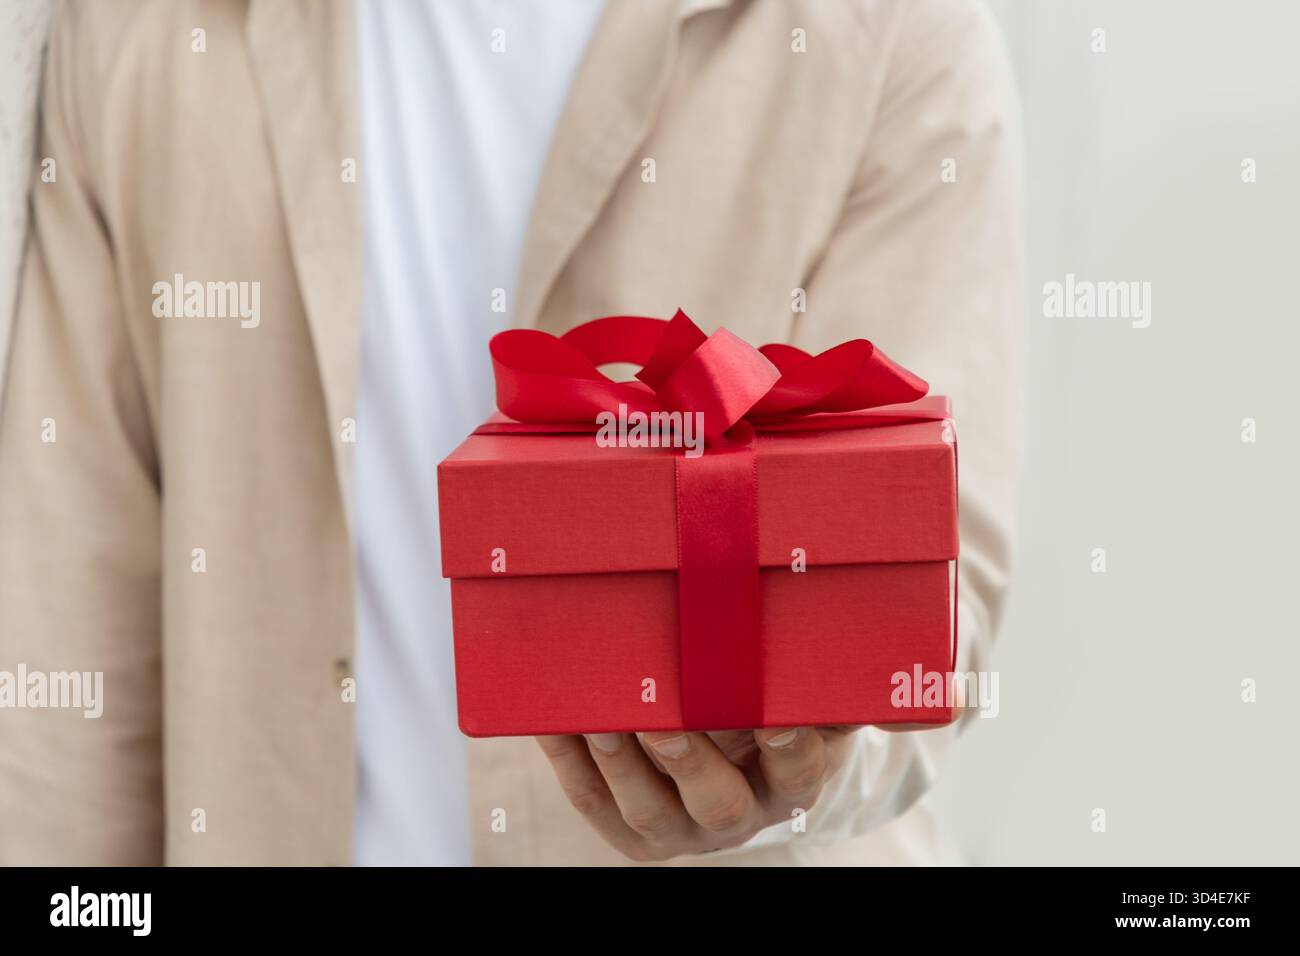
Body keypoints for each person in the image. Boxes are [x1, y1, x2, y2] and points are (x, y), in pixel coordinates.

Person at [0, 0, 1021, 866]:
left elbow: (935, 584)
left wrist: (813, 756)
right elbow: (66, 681)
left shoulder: (891, 32)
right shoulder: (145, 30)